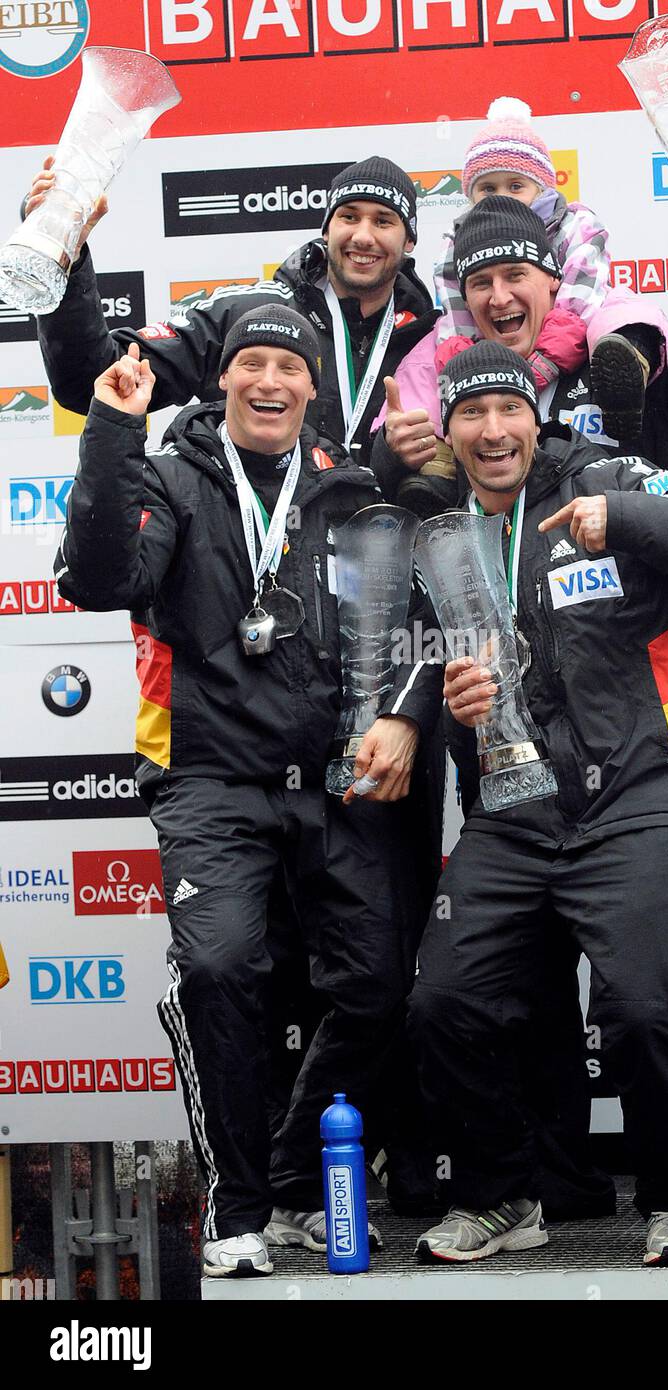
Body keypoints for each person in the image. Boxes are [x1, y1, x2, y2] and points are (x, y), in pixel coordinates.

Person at [54, 304, 443, 1276]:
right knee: (223, 970)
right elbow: (99, 577)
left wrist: (398, 712)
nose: (269, 381)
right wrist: (109, 432)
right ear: (221, 380)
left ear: (313, 390)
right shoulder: (170, 475)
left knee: (375, 986)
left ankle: (282, 1174)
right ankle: (237, 1208)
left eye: (288, 366)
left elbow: (422, 612)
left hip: (330, 787)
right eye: (250, 364)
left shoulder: (348, 491)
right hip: (210, 783)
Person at [408, 341, 668, 1265]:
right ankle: (503, 1194)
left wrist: (632, 519)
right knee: (441, 1002)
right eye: (471, 416)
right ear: (447, 433)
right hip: (513, 806)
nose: (493, 432)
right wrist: (456, 713)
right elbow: (450, 688)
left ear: (537, 417)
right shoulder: (438, 534)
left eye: (509, 411)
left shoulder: (613, 474)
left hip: (646, 795)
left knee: (648, 1009)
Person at [372, 189, 668, 498]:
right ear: (465, 299)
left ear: (553, 281)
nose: (499, 297)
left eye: (516, 275)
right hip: (494, 627)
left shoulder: (629, 351)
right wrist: (393, 458)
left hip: (628, 624)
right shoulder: (439, 379)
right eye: (481, 283)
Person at [27, 154, 438, 470]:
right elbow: (92, 380)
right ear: (327, 229)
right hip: (252, 562)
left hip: (379, 564)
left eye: (383, 221)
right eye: (349, 217)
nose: (363, 236)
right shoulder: (247, 315)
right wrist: (66, 254)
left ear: (409, 241)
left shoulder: (428, 340)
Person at [435, 96, 668, 443]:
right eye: (488, 188)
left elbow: (582, 289)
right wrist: (466, 363)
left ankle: (626, 385)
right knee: (435, 347)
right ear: (470, 196)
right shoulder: (456, 241)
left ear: (542, 187)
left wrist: (546, 357)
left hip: (573, 324)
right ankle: (440, 452)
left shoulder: (573, 222)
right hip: (505, 342)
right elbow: (456, 312)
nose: (504, 196)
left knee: (623, 312)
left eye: (516, 186)